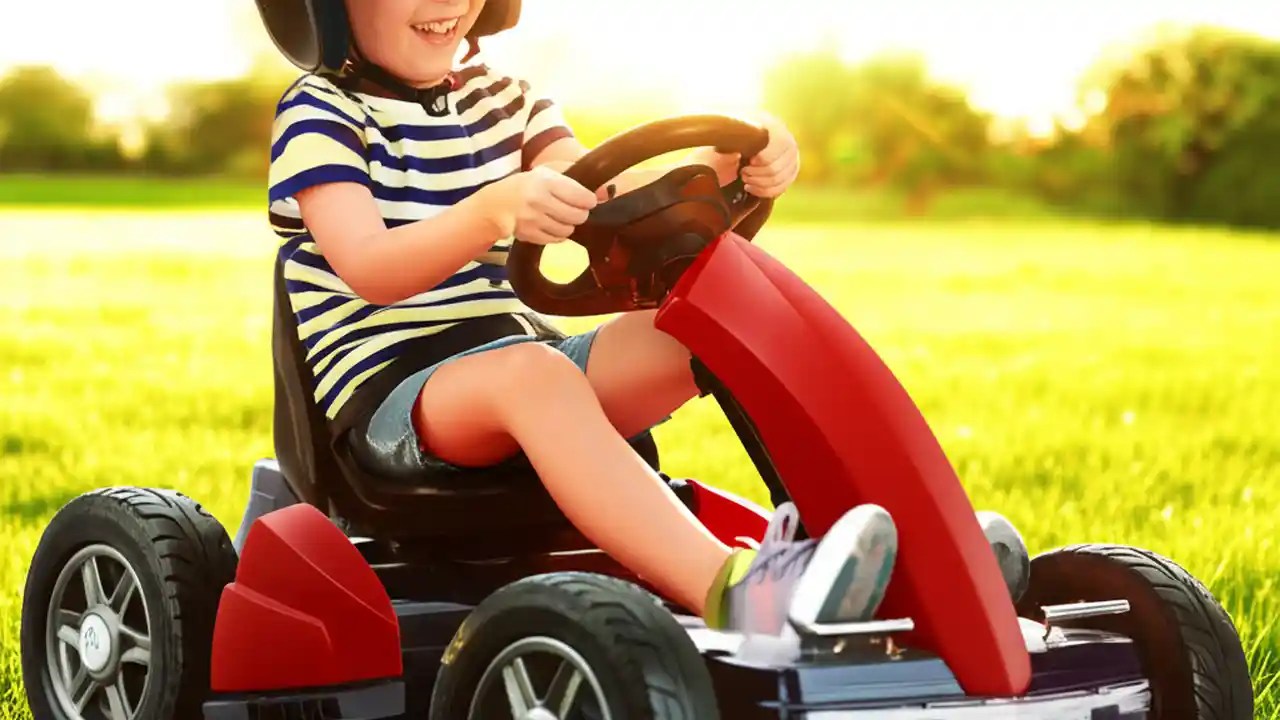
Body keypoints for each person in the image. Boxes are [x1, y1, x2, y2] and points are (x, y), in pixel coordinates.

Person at [262, 0, 899, 636]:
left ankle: (852, 546)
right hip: (393, 398)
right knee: (532, 375)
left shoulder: (509, 100)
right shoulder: (322, 113)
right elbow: (370, 268)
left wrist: (726, 170)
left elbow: (599, 197)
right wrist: (490, 213)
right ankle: (735, 593)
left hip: (522, 363)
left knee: (712, 326)